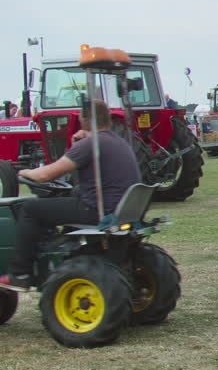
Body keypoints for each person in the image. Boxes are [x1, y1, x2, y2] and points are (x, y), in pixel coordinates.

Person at [0, 100, 141, 291]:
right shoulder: (118, 141)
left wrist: (24, 172)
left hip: (98, 211)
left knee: (30, 209)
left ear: (84, 119)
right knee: (71, 194)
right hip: (121, 209)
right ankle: (57, 251)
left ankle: (20, 273)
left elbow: (45, 175)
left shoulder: (90, 144)